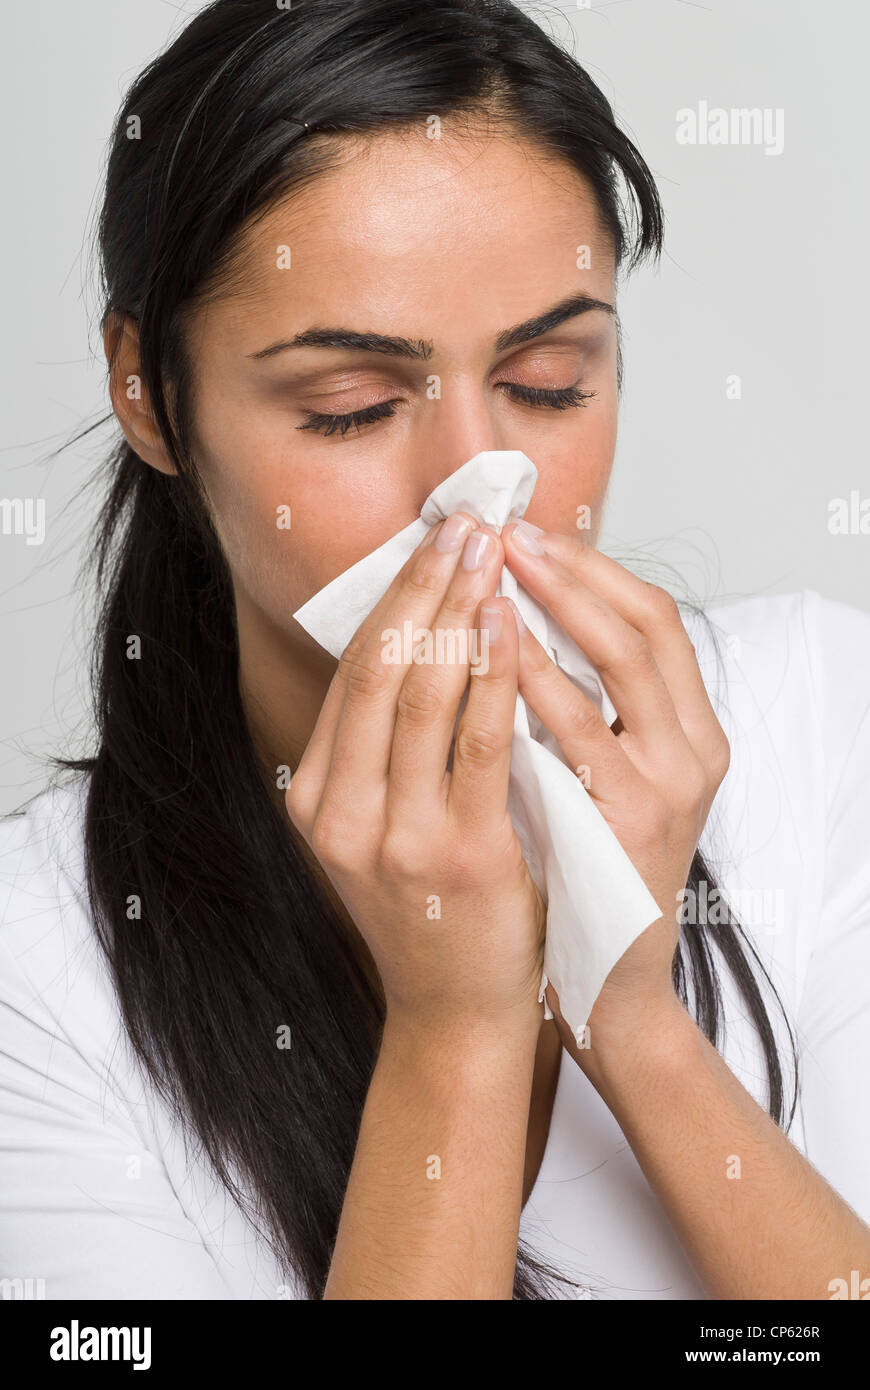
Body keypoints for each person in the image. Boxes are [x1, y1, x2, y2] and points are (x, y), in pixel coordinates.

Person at [1, 0, 869, 1301]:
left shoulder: (814, 715)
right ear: (150, 393)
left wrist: (630, 1014)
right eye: (349, 406)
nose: (477, 485)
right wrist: (454, 1031)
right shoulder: (38, 973)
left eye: (547, 382)